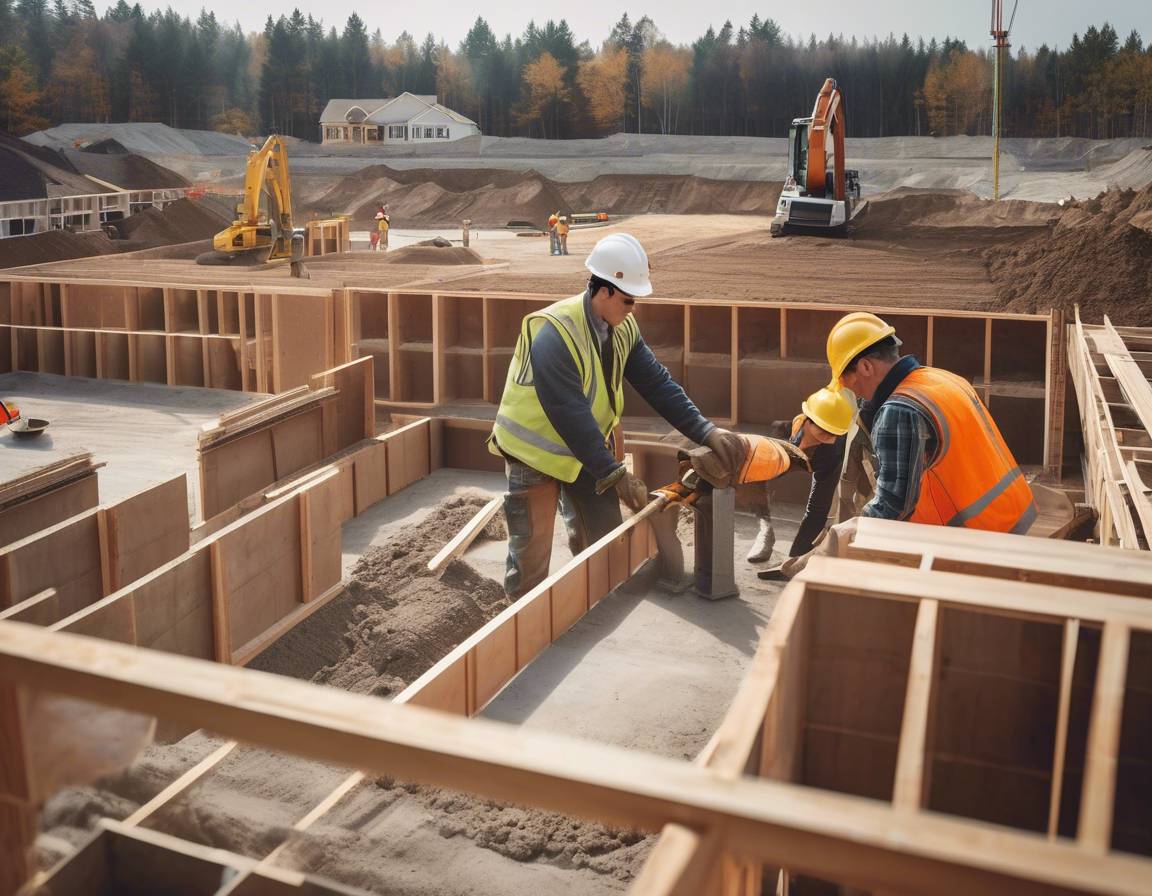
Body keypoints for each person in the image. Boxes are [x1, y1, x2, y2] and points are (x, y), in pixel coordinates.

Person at [488, 233, 747, 598]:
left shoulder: (623, 328)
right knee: (532, 552)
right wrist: (614, 474)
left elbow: (657, 384)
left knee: (603, 537)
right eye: (628, 299)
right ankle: (517, 629)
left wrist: (706, 432)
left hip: (584, 450)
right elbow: (569, 413)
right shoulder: (554, 335)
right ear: (603, 291)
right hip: (536, 453)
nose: (632, 308)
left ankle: (587, 602)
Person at [827, 311, 1036, 532]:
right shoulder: (943, 379)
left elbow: (892, 506)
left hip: (974, 535)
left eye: (844, 379)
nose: (850, 390)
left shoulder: (899, 410)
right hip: (1010, 516)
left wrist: (849, 534)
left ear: (865, 367)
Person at [744, 387, 857, 565]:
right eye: (824, 430)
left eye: (834, 433)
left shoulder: (833, 451)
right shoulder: (780, 432)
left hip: (822, 459)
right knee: (752, 477)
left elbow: (817, 509)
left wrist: (795, 560)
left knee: (819, 508)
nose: (829, 436)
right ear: (807, 420)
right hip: (782, 450)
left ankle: (798, 554)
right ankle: (765, 531)